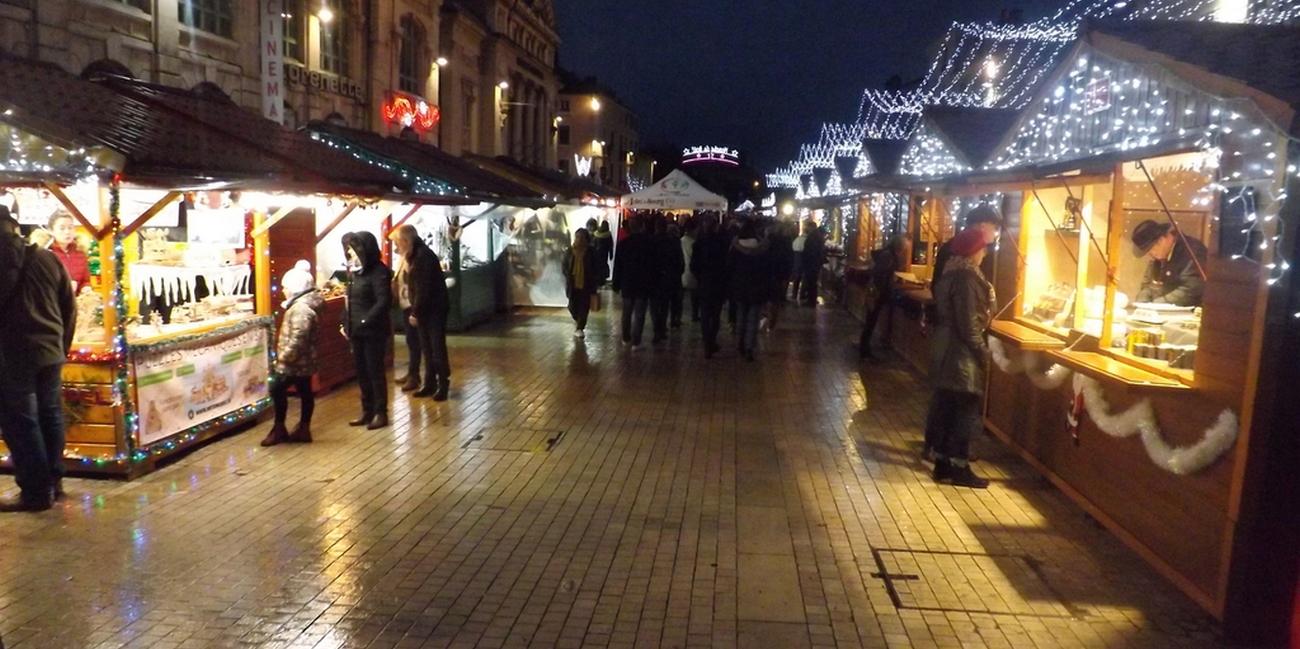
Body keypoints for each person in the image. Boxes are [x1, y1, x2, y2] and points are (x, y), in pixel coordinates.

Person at [0, 207, 76, 511]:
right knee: (50, 415)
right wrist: (62, 346)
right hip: (49, 351)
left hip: (11, 354)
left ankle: (34, 492)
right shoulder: (46, 257)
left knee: (22, 421)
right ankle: (53, 482)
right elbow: (68, 307)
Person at [925, 228, 994, 489]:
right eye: (983, 248)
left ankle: (942, 464)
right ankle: (959, 466)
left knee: (947, 408)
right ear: (973, 251)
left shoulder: (949, 272)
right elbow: (968, 322)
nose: (985, 253)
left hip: (946, 349)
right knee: (964, 410)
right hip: (960, 354)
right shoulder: (967, 278)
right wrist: (981, 351)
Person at [262, 261, 324, 447]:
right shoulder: (304, 305)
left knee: (277, 388)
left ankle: (280, 428)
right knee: (305, 391)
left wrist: (284, 357)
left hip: (294, 362)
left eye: (285, 287)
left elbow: (298, 337)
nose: (283, 290)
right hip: (304, 360)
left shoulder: (300, 309)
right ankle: (303, 428)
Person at [343, 231, 392, 428]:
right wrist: (345, 322)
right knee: (362, 373)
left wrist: (364, 321)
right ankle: (367, 410)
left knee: (375, 372)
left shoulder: (379, 272)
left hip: (373, 332)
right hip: (357, 332)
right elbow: (349, 301)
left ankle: (381, 412)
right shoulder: (354, 272)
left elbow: (383, 301)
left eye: (352, 250)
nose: (349, 254)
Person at [396, 225, 451, 401]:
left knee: (436, 348)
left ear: (406, 240)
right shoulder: (415, 255)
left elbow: (423, 289)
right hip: (426, 309)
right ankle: (430, 383)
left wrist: (416, 312)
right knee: (426, 347)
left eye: (399, 242)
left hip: (434, 310)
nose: (398, 246)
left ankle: (443, 383)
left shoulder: (422, 257)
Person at [1130, 219, 1207, 307]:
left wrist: (1156, 305)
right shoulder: (1160, 256)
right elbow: (1148, 284)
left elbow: (1192, 289)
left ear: (1161, 240)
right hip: (1160, 313)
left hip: (1187, 314)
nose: (1150, 255)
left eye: (1150, 250)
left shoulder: (1192, 250)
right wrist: (1142, 302)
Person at [727, 220, 770, 362]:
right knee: (753, 319)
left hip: (739, 286)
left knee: (741, 316)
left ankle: (740, 342)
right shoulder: (762, 248)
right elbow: (766, 270)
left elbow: (730, 267)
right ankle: (749, 347)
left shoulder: (735, 247)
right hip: (756, 288)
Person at [860, 238, 907, 360]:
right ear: (899, 247)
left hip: (877, 291)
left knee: (870, 320)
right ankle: (864, 350)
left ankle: (864, 348)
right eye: (903, 249)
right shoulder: (888, 256)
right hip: (877, 293)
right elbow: (881, 274)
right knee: (871, 320)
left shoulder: (886, 254)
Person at [612, 217, 653, 349]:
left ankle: (625, 337)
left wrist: (616, 283)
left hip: (627, 282)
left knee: (627, 312)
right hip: (642, 282)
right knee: (639, 313)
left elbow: (618, 266)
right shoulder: (648, 243)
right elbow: (652, 265)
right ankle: (636, 341)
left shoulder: (623, 244)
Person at [933, 204, 1002, 284]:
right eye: (994, 228)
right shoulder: (960, 250)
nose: (996, 232)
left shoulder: (955, 244)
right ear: (983, 226)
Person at [691, 216, 729, 358]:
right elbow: (726, 264)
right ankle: (711, 340)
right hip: (718, 283)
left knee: (706, 315)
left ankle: (708, 342)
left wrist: (699, 277)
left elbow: (693, 266)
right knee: (715, 315)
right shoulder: (721, 243)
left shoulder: (699, 244)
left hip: (705, 283)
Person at [391, 234, 420, 392]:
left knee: (414, 341)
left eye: (398, 242)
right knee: (411, 341)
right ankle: (412, 373)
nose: (396, 245)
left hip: (411, 304)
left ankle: (414, 376)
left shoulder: (412, 258)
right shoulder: (402, 257)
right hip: (404, 303)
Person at [564, 227, 602, 339]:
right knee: (572, 306)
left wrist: (596, 279)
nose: (579, 240)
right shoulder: (570, 251)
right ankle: (578, 319)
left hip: (587, 283)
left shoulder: (591, 251)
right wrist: (567, 274)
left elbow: (596, 267)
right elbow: (565, 265)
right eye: (577, 237)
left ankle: (580, 327)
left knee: (584, 306)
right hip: (573, 283)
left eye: (581, 237)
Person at [650, 219, 684, 342]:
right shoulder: (673, 242)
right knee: (664, 306)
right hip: (668, 278)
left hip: (654, 278)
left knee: (654, 306)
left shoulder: (651, 241)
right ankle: (662, 328)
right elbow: (680, 262)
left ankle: (657, 329)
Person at [47, 211, 91, 294]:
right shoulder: (46, 254)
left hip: (76, 303)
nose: (67, 232)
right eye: (62, 228)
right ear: (51, 231)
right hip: (53, 303)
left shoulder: (80, 252)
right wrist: (65, 286)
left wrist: (86, 287)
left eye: (70, 227)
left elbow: (85, 280)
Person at [764, 220, 795, 331]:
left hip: (770, 272)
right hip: (779, 273)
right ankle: (771, 323)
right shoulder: (786, 241)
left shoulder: (769, 240)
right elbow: (789, 258)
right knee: (775, 299)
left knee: (768, 298)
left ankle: (768, 319)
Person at [798, 219, 826, 306]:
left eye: (807, 226)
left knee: (811, 282)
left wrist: (807, 260)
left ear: (811, 227)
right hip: (814, 263)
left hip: (812, 263)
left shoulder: (813, 236)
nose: (806, 228)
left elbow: (812, 251)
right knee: (812, 282)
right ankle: (811, 299)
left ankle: (811, 301)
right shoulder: (816, 236)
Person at [678, 220, 699, 325]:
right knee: (694, 296)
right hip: (691, 272)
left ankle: (677, 317)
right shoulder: (694, 243)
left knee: (679, 297)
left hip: (682, 272)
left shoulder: (681, 241)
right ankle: (694, 315)